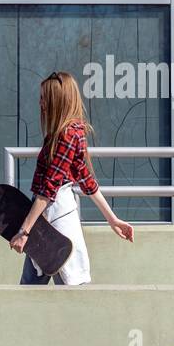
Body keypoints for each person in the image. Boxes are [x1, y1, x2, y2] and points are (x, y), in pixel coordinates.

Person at [10, 71, 134, 284]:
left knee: (65, 286)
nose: (41, 103)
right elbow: (86, 180)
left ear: (58, 100)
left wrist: (24, 231)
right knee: (35, 287)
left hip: (55, 219)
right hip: (47, 219)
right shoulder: (66, 133)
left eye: (45, 98)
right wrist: (112, 218)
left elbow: (48, 190)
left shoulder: (67, 134)